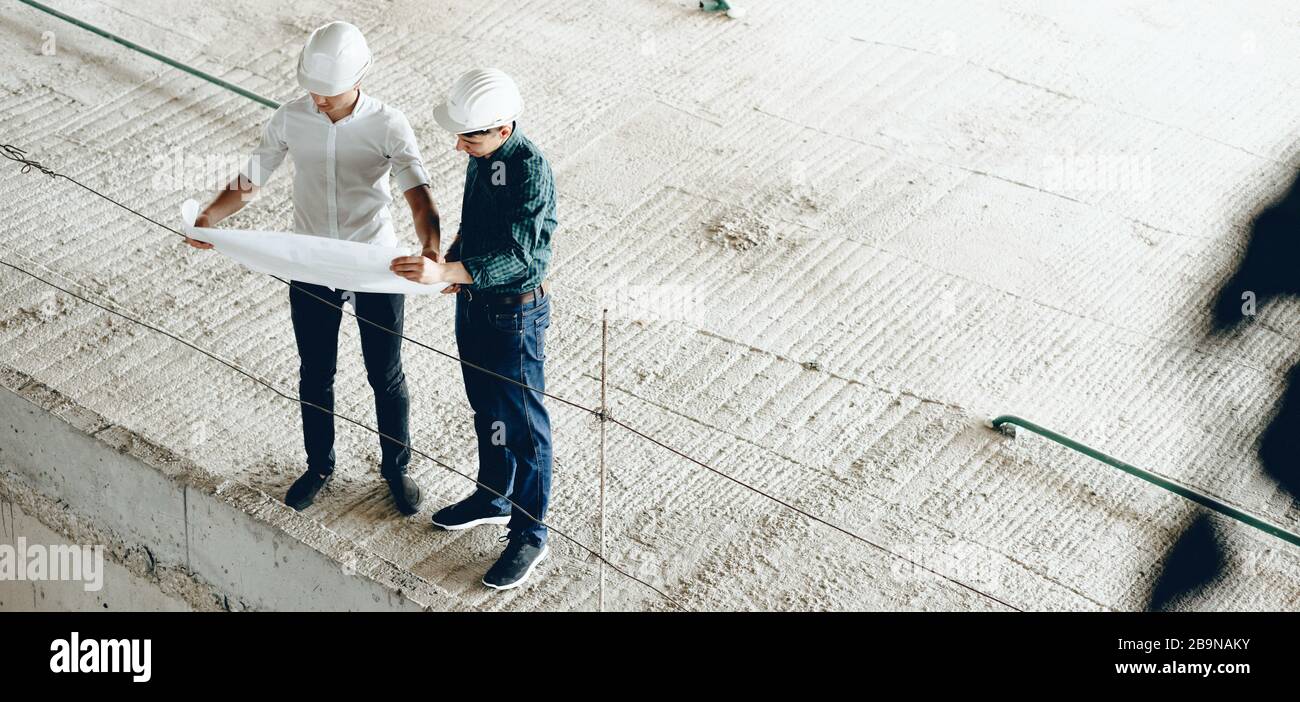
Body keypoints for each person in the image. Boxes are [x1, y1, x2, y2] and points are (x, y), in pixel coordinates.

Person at [184, 21, 439, 516]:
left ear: (360, 77)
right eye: (313, 91)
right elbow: (251, 179)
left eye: (329, 92)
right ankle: (319, 465)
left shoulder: (389, 124)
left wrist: (431, 248)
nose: (319, 100)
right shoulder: (289, 118)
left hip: (371, 261)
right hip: (312, 260)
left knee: (384, 373)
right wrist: (208, 219)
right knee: (315, 372)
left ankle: (396, 467)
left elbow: (418, 195)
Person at [389, 68, 557, 590]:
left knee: (525, 424)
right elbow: (478, 224)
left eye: (471, 136)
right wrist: (453, 258)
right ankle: (494, 494)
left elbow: (521, 254)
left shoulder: (530, 172)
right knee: (484, 404)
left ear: (504, 130)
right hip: (477, 303)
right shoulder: (485, 159)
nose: (460, 146)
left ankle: (530, 532)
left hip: (514, 314)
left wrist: (450, 272)